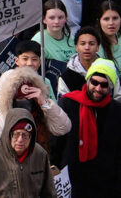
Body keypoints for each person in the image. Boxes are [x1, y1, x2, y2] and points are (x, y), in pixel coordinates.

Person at [52, 58, 121, 196]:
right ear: (88, 81)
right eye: (94, 83)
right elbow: (57, 141)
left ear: (110, 87)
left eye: (104, 85)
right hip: (72, 178)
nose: (98, 88)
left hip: (105, 183)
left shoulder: (117, 110)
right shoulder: (68, 103)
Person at [0, 108, 56, 197]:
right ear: (8, 133)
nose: (20, 140)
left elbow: (49, 193)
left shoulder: (40, 155)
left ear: (32, 137)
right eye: (16, 134)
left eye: (25, 135)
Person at [0, 58, 72, 150]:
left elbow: (63, 128)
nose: (24, 100)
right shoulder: (1, 121)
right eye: (19, 98)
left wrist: (44, 102)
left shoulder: (42, 113)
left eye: (28, 96)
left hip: (42, 162)